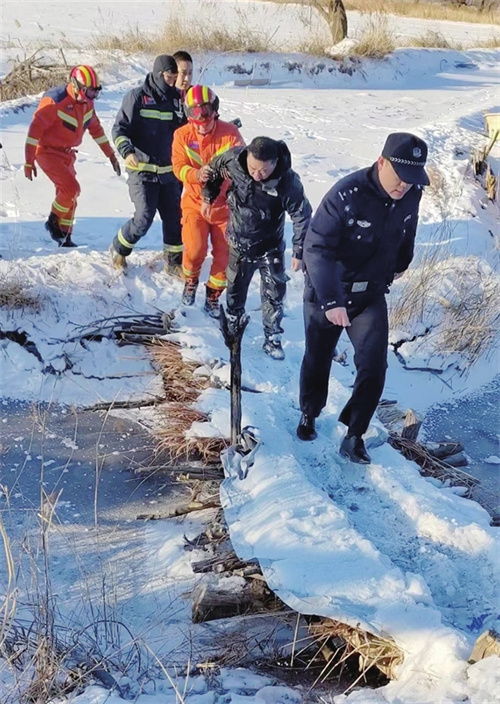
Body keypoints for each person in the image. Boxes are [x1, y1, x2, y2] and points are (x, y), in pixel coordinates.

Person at [296, 132, 429, 463]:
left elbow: (407, 229)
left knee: (374, 365)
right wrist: (331, 301)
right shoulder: (346, 194)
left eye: (412, 181)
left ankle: (355, 435)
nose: (404, 187)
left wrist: (401, 263)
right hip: (329, 290)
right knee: (318, 356)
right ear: (382, 162)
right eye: (400, 178)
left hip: (369, 294)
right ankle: (309, 413)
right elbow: (317, 248)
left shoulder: (411, 193)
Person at [201, 136, 312, 359]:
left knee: (274, 291)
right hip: (239, 240)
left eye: (262, 171)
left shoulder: (287, 182)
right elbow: (212, 170)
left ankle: (272, 336)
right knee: (235, 284)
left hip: (270, 245)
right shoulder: (235, 159)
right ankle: (233, 322)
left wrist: (299, 250)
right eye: (252, 168)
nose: (256, 174)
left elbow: (302, 215)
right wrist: (208, 197)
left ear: (274, 163)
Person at [24, 65, 120, 247]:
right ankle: (53, 219)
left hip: (68, 154)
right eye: (89, 92)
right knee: (71, 188)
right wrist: (29, 161)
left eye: (94, 93)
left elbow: (96, 130)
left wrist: (111, 156)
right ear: (76, 86)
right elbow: (33, 132)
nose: (92, 97)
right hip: (47, 152)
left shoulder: (87, 104)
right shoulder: (54, 101)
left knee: (70, 197)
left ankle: (65, 237)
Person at [172, 85, 244, 318]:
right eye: (195, 112)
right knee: (194, 250)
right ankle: (190, 281)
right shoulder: (181, 135)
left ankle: (213, 296)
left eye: (206, 111)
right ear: (188, 114)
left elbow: (240, 168)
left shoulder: (230, 133)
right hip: (194, 204)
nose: (201, 118)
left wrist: (214, 190)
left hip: (225, 208)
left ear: (215, 110)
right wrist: (195, 175)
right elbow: (178, 167)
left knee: (224, 257)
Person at [109, 55, 185, 273]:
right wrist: (127, 151)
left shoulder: (178, 100)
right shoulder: (136, 98)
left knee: (174, 219)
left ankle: (174, 263)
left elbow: (185, 130)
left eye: (174, 78)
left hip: (169, 174)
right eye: (169, 78)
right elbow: (119, 130)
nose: (172, 82)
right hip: (142, 173)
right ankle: (119, 248)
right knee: (144, 217)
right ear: (159, 74)